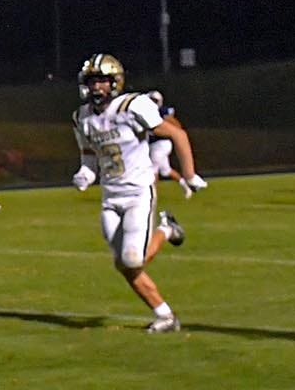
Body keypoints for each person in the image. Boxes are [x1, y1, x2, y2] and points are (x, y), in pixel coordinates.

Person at [70, 53, 202, 332]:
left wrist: (189, 175)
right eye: (92, 82)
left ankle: (166, 229)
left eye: (103, 81)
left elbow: (177, 135)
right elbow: (89, 156)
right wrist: (86, 173)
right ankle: (165, 316)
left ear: (115, 82)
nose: (96, 88)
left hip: (138, 193)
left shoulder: (132, 106)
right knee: (124, 265)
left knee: (133, 259)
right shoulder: (82, 117)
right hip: (110, 198)